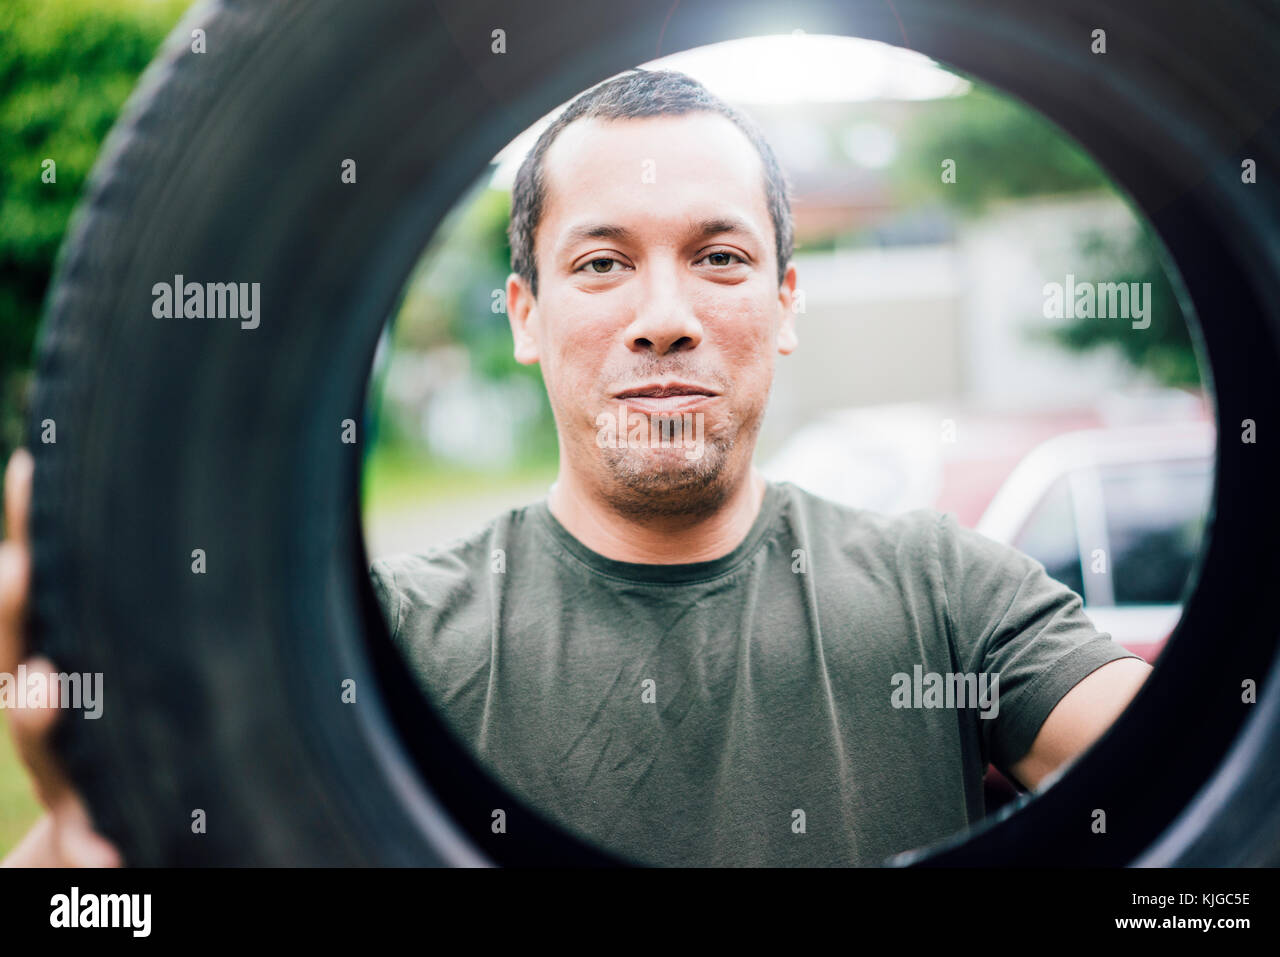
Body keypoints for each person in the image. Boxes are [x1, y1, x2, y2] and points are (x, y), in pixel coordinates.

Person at [1, 69, 1151, 868]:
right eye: (601, 263)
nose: (664, 318)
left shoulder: (947, 593)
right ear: (524, 316)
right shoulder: (384, 640)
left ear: (784, 303)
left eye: (720, 256)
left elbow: (1202, 769)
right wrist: (86, 861)